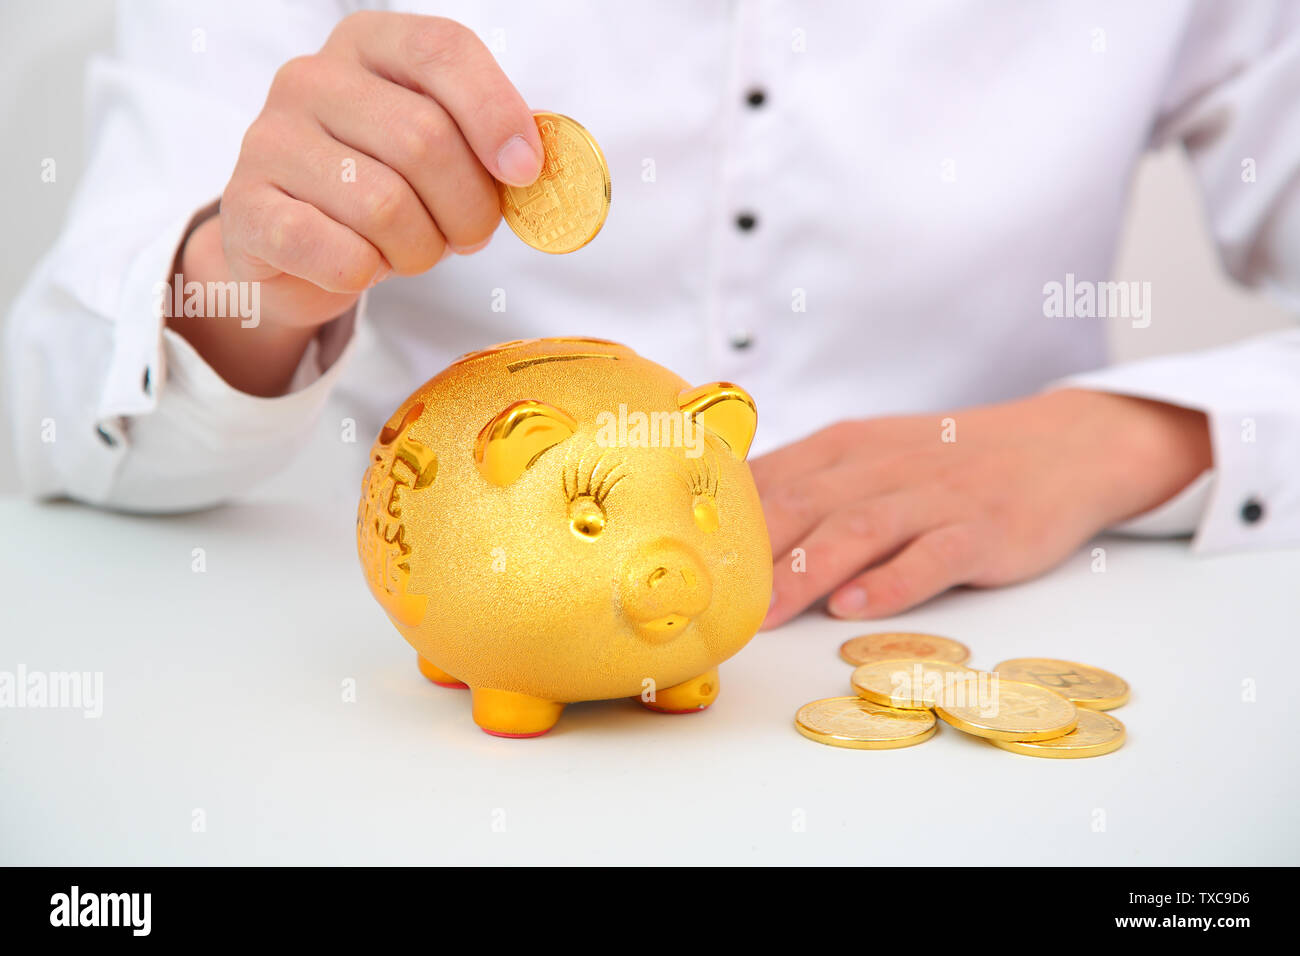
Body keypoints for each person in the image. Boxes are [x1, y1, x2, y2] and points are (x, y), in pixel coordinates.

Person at [7, 1, 1299, 630]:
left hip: (1003, 625)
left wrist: (1130, 439)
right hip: (416, 679)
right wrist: (246, 283)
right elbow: (55, 398)